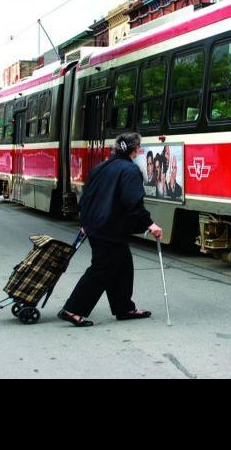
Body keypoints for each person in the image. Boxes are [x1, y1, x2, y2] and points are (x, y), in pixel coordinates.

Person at [58, 132, 163, 327]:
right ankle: (73, 309)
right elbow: (133, 203)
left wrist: (85, 223)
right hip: (110, 228)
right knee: (102, 268)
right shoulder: (130, 170)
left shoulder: (101, 167)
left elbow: (87, 197)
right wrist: (150, 224)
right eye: (138, 148)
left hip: (97, 226)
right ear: (134, 150)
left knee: (123, 265)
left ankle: (124, 308)